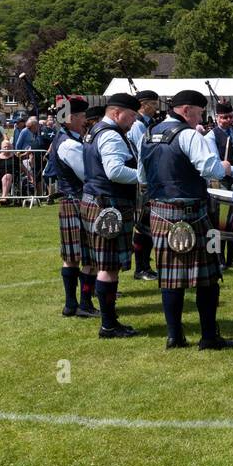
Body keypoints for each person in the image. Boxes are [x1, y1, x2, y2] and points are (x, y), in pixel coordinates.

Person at [139, 89, 233, 350]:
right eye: (199, 112)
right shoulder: (188, 135)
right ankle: (208, 337)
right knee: (208, 277)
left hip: (160, 211)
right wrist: (224, 168)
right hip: (192, 212)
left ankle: (175, 336)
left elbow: (141, 176)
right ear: (186, 110)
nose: (200, 118)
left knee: (169, 277)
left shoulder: (148, 135)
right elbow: (209, 168)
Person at [81, 93, 141, 338]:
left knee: (105, 265)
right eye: (131, 114)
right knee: (108, 266)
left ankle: (110, 320)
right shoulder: (110, 135)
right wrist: (146, 177)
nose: (134, 119)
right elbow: (115, 171)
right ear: (117, 113)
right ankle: (108, 325)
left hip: (98, 201)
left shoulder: (96, 130)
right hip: (108, 205)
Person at [49, 98, 97, 317]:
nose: (85, 120)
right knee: (88, 256)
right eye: (81, 116)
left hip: (70, 202)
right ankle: (83, 303)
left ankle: (71, 304)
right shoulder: (70, 144)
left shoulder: (65, 139)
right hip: (79, 201)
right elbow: (88, 175)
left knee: (71, 256)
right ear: (70, 118)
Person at [207, 101, 233, 270]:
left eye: (230, 117)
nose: (228, 120)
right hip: (220, 183)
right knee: (218, 223)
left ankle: (232, 257)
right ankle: (218, 258)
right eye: (224, 117)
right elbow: (216, 163)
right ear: (217, 118)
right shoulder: (210, 136)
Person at [127, 90, 160, 282]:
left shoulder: (146, 124)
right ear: (144, 104)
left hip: (148, 179)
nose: (156, 108)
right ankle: (141, 267)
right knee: (143, 225)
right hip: (144, 180)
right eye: (153, 104)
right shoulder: (138, 125)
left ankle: (145, 265)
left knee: (147, 225)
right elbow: (144, 151)